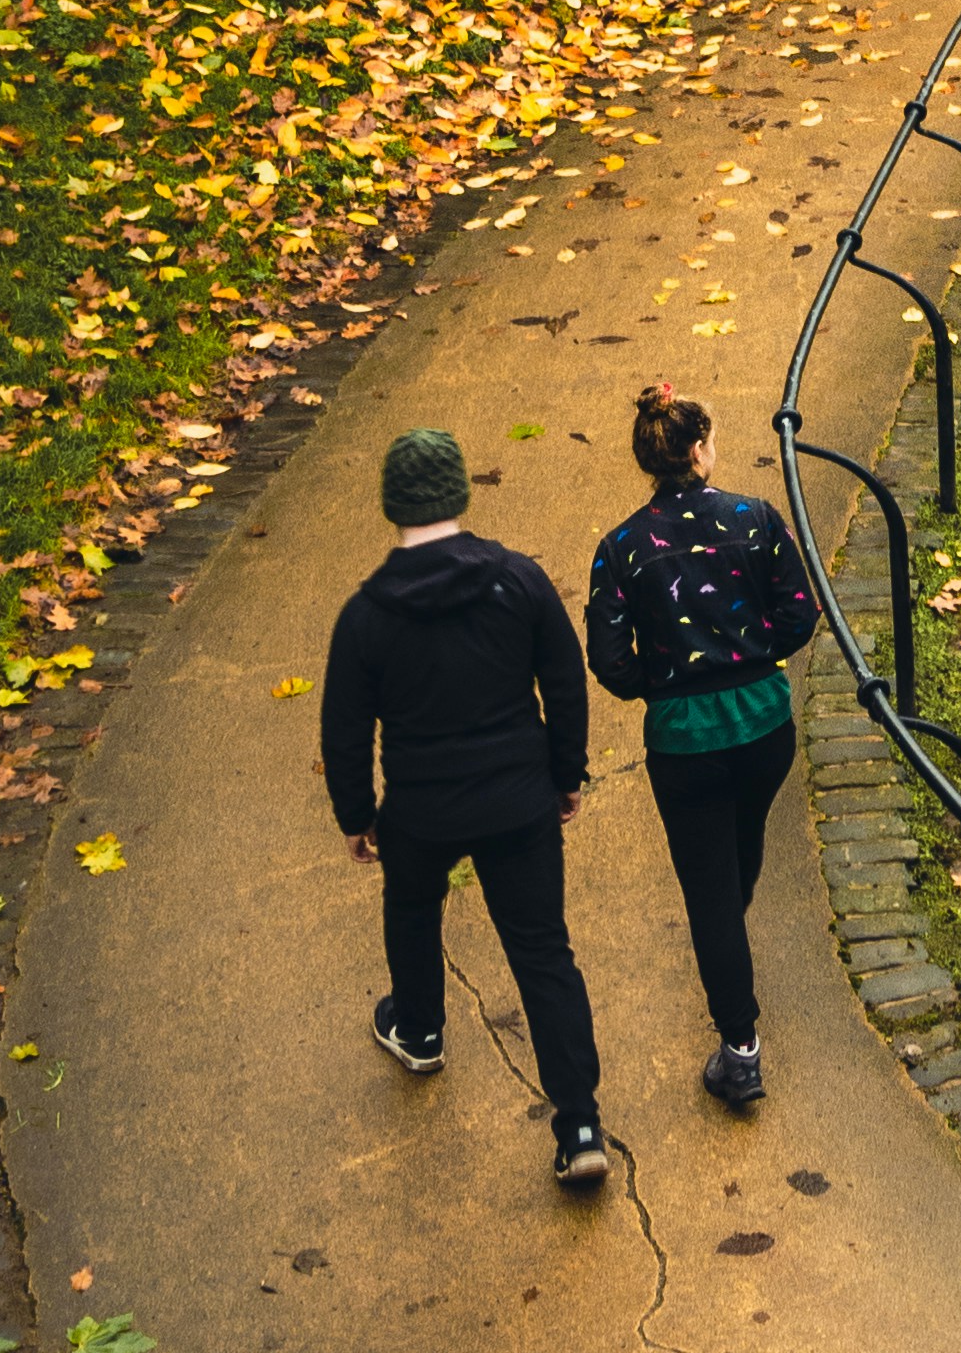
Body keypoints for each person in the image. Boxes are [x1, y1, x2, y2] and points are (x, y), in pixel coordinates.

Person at [318, 425, 611, 1188]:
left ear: (393, 508)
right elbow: (565, 677)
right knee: (542, 950)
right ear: (459, 495)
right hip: (517, 799)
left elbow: (345, 727)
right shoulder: (518, 581)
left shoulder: (365, 616)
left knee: (412, 909)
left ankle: (418, 1026)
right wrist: (565, 772)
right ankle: (578, 1119)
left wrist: (358, 814)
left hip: (421, 809)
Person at [585, 386, 823, 1113]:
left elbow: (608, 657)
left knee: (709, 891)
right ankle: (734, 929)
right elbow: (799, 613)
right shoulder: (756, 519)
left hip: (684, 742)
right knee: (741, 843)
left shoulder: (620, 548)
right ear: (700, 449)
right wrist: (755, 655)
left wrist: (656, 683)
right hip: (763, 725)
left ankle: (741, 1052)